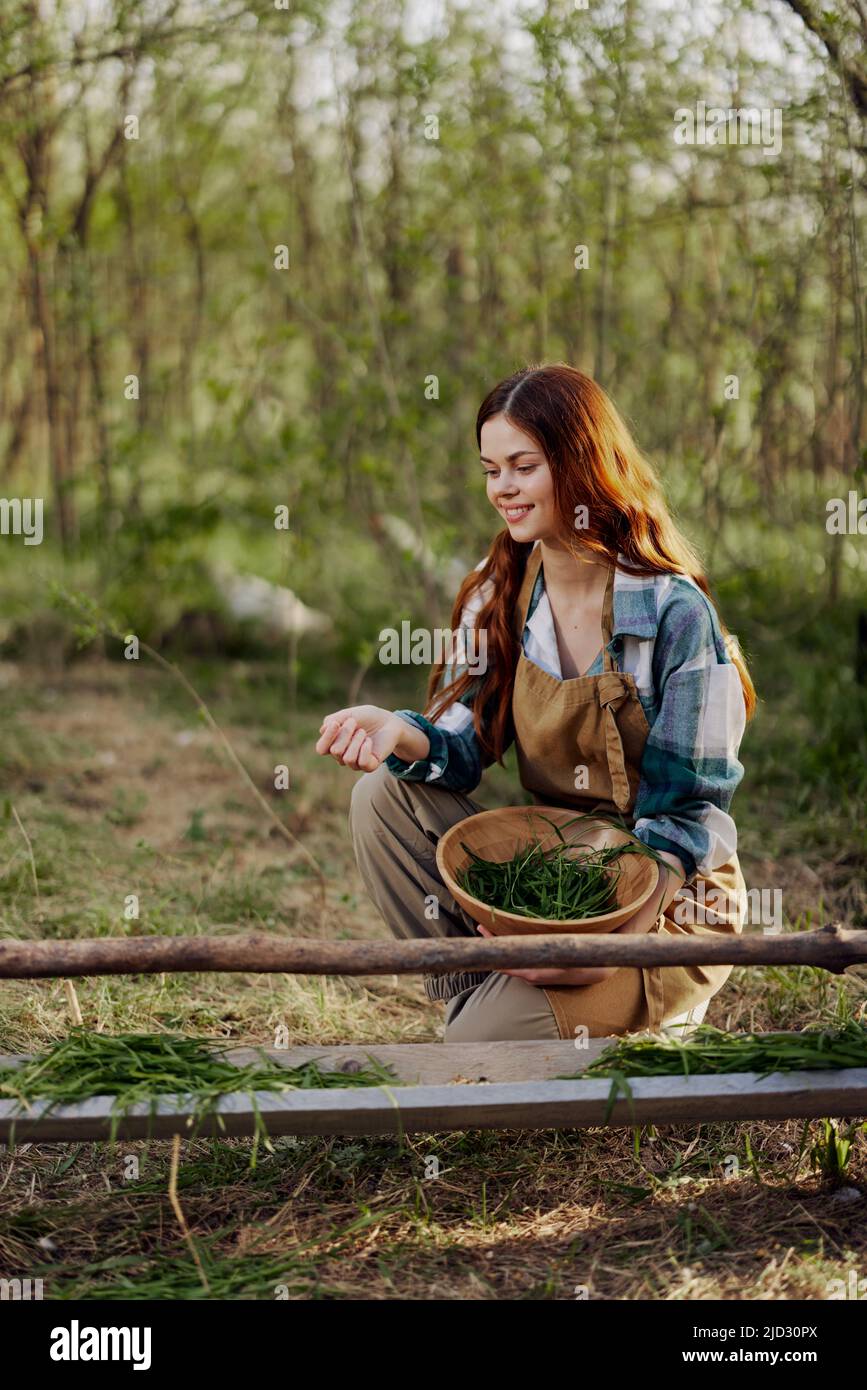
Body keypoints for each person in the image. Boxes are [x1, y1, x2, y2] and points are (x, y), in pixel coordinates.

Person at [316, 363, 754, 1043]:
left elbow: (686, 814)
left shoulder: (672, 612)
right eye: (491, 469)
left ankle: (652, 1007)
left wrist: (600, 952)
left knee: (474, 1051)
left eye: (522, 466)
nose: (502, 489)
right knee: (380, 793)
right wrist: (396, 733)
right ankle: (484, 993)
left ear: (580, 464)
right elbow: (460, 751)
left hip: (664, 899)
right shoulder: (502, 590)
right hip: (555, 869)